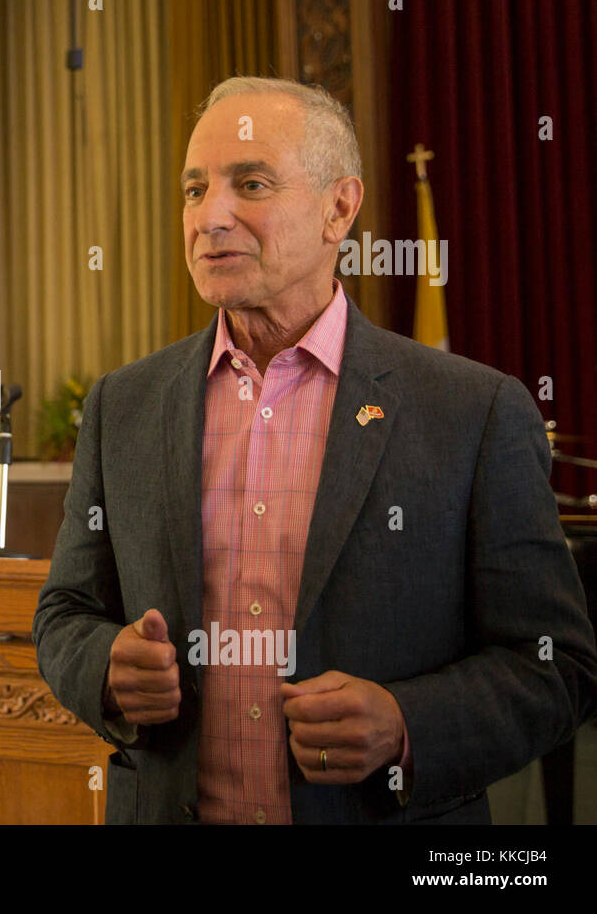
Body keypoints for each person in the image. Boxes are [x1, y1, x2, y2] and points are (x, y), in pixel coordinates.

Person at [32, 76, 597, 824]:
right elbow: (65, 612)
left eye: (251, 183)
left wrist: (405, 723)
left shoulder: (475, 412)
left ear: (340, 208)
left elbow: (556, 666)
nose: (210, 216)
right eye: (194, 190)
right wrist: (104, 668)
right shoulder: (124, 406)